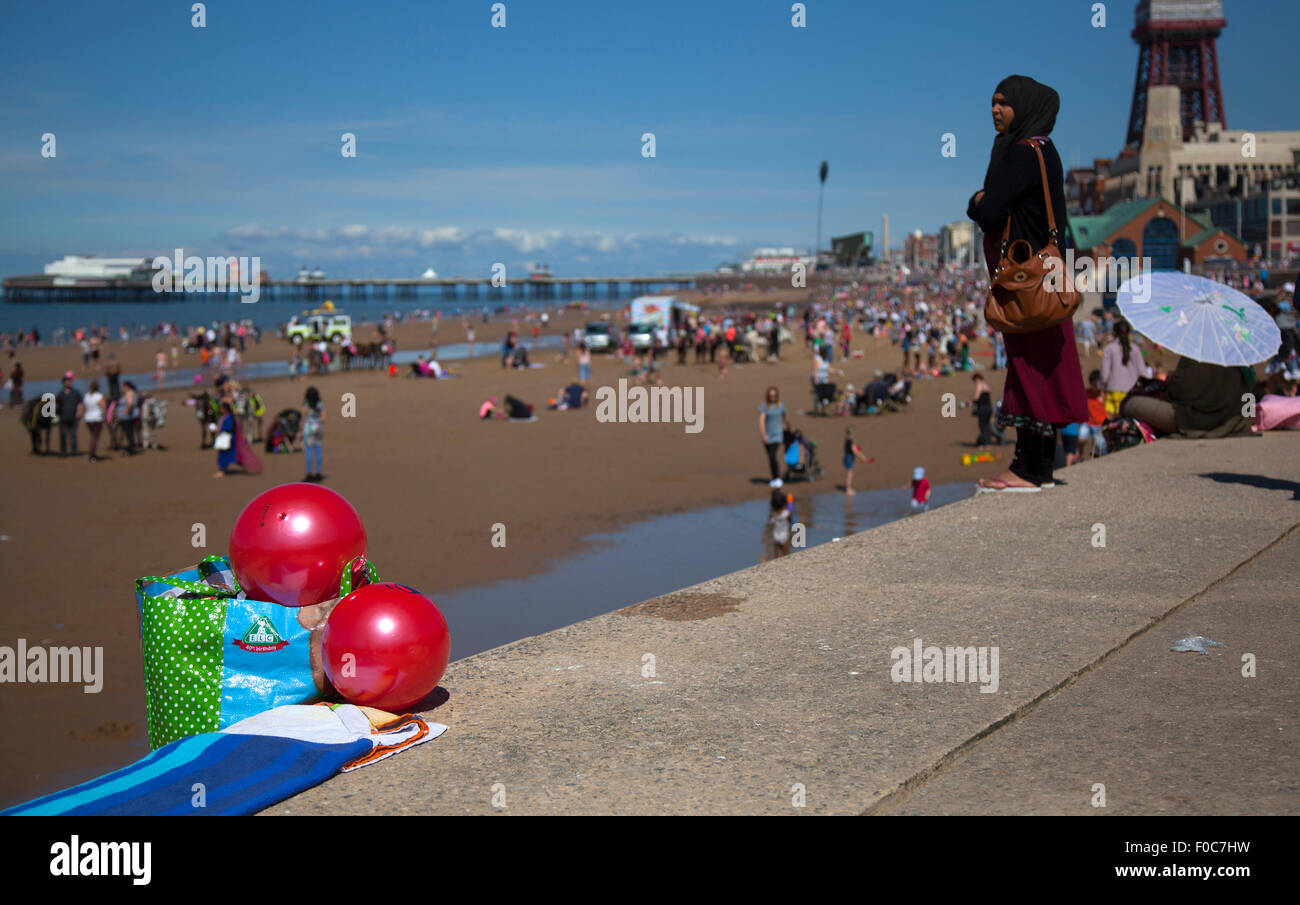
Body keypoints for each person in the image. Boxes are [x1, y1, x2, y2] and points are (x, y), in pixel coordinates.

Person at [967, 75, 1088, 492]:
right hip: (1048, 276)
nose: (995, 110)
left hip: (1026, 281)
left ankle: (1028, 469)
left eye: (1004, 103)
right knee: (1042, 364)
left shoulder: (1020, 154)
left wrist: (976, 201)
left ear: (1025, 106)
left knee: (1027, 364)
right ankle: (1037, 465)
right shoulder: (1046, 151)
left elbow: (989, 212)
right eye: (992, 102)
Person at [1121, 359, 1256, 438]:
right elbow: (1249, 398)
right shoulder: (1244, 358)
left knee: (1131, 403)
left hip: (1195, 422)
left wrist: (1171, 381)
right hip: (1237, 422)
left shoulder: (1197, 351)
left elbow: (1177, 393)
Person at [1100, 319, 1148, 416]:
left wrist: (1101, 385)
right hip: (1132, 394)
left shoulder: (1109, 348)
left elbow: (1105, 374)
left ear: (1114, 333)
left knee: (1114, 424)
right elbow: (1143, 372)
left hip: (1113, 391)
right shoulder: (1135, 349)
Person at [759, 386, 790, 489]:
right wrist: (763, 435)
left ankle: (777, 478)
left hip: (778, 434)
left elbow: (785, 417)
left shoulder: (781, 406)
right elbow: (761, 421)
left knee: (773, 456)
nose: (772, 397)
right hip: (768, 435)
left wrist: (790, 427)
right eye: (771, 395)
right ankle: (774, 478)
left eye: (774, 395)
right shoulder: (764, 406)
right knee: (770, 458)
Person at [55, 371, 84, 458]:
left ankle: (74, 451)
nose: (68, 383)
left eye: (70, 381)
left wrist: (79, 412)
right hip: (63, 418)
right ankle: (63, 452)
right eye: (67, 381)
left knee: (73, 435)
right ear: (64, 383)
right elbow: (56, 405)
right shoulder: (60, 394)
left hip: (73, 418)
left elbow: (80, 403)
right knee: (63, 435)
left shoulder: (76, 392)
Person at [302, 386, 325, 481]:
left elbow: (303, 417)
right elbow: (324, 418)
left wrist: (300, 431)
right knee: (318, 449)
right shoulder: (320, 404)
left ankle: (309, 473)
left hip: (309, 427)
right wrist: (318, 420)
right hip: (318, 426)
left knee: (309, 450)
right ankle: (318, 473)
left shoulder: (305, 404)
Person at [843, 427, 871, 497]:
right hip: (849, 457)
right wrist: (861, 458)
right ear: (851, 433)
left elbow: (855, 450)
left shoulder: (847, 439)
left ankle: (849, 488)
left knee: (850, 473)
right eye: (854, 433)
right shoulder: (851, 441)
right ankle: (848, 490)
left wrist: (862, 457)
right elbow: (855, 451)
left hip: (847, 456)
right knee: (850, 474)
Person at [84, 379, 106, 462]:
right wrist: (105, 417)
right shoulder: (99, 396)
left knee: (93, 436)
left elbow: (84, 406)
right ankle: (92, 454)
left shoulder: (87, 396)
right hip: (97, 418)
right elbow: (103, 407)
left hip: (88, 419)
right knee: (95, 437)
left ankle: (93, 453)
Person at [118, 380, 140, 456]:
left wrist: (127, 410)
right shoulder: (128, 393)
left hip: (128, 417)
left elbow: (130, 404)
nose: (122, 388)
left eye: (123, 386)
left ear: (126, 387)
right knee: (128, 433)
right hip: (125, 417)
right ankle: (130, 447)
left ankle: (131, 449)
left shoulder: (130, 393)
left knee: (129, 433)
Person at [971, 372, 993, 449]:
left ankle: (984, 444)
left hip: (982, 408)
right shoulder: (986, 385)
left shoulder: (979, 385)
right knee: (987, 426)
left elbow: (976, 397)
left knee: (982, 426)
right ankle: (988, 443)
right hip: (989, 407)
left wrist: (969, 403)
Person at [768, 489, 792, 559]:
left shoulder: (774, 514)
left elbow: (771, 522)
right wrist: (790, 502)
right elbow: (790, 518)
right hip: (784, 536)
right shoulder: (786, 514)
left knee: (776, 555)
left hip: (776, 536)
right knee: (786, 555)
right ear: (784, 504)